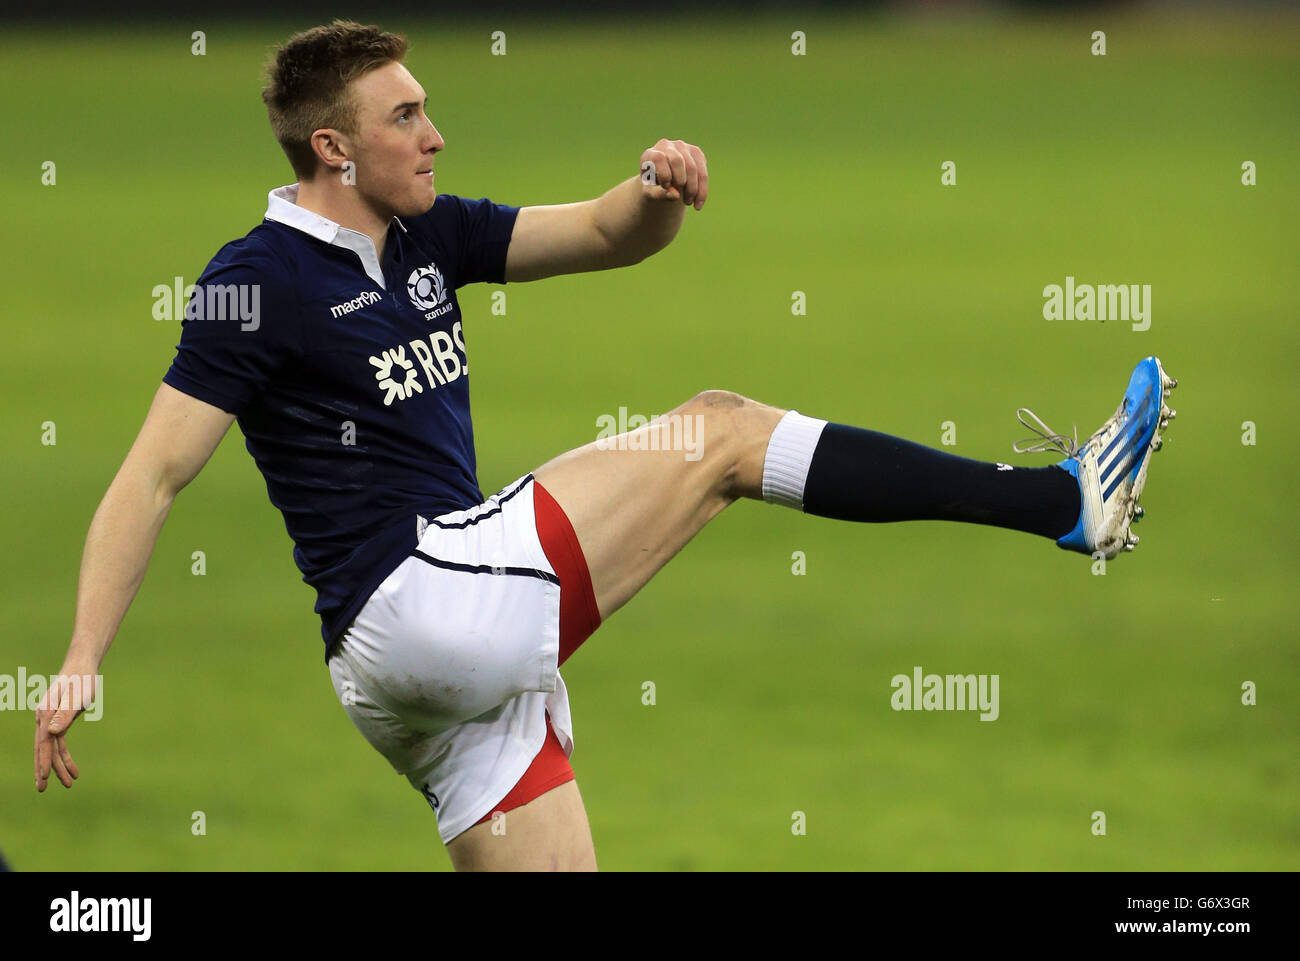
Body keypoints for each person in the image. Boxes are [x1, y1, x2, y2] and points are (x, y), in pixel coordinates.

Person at [33, 20, 1177, 871]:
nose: (434, 134)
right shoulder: (257, 277)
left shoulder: (425, 232)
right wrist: (83, 653)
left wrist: (657, 191)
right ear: (331, 147)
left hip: (422, 686)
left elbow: (596, 233)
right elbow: (154, 472)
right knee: (722, 430)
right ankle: (1060, 501)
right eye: (404, 118)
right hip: (419, 596)